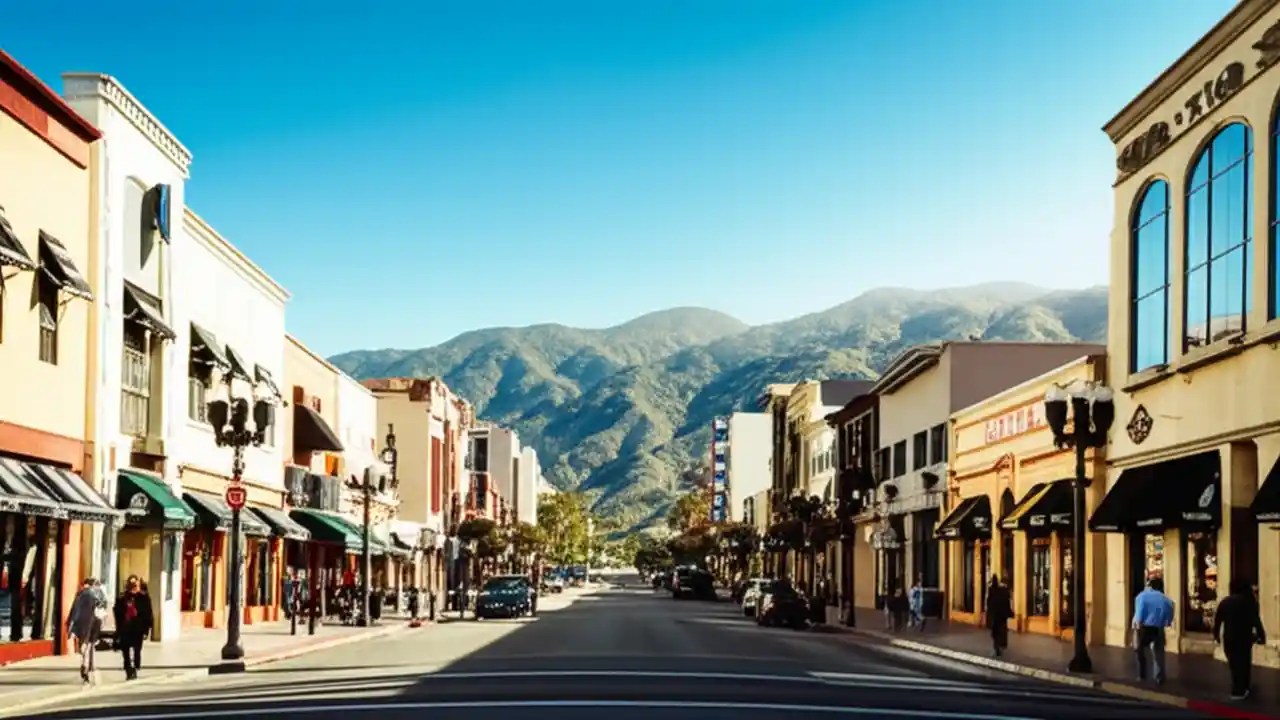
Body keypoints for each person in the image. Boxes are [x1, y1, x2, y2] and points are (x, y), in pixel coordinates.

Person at [1213, 578, 1266, 701]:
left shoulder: (1225, 602)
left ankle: (1238, 688)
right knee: (1244, 662)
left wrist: (1216, 635)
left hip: (1229, 638)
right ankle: (1243, 687)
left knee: (1234, 664)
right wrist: (1261, 636)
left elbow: (1218, 621)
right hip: (1244, 637)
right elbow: (1256, 621)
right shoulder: (1249, 602)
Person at [1132, 576, 1174, 685]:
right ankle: (1159, 676)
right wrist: (1167, 622)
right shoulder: (1166, 599)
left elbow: (1140, 611)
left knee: (1139, 650)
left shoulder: (1142, 596)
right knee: (1159, 652)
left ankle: (1142, 675)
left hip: (1144, 627)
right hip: (1158, 627)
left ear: (1150, 586)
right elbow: (1170, 614)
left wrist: (1137, 624)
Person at [113, 575, 154, 680]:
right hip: (125, 628)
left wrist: (147, 629)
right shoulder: (122, 598)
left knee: (137, 650)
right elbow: (117, 613)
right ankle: (128, 668)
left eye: (135, 585)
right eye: (131, 585)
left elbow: (149, 614)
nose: (133, 587)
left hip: (138, 628)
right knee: (125, 650)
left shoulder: (144, 598)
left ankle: (135, 666)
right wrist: (118, 629)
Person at [66, 578, 106, 685]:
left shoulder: (80, 595)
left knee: (85, 645)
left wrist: (70, 625)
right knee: (90, 645)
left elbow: (75, 610)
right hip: (94, 622)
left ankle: (85, 663)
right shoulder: (98, 594)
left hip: (83, 624)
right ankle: (89, 665)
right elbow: (102, 609)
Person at [986, 575, 1012, 657]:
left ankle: (997, 647)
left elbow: (989, 603)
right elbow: (1006, 603)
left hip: (996, 615)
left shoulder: (993, 590)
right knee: (1001, 631)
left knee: (996, 632)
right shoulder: (1002, 591)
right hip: (1001, 615)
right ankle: (1000, 646)